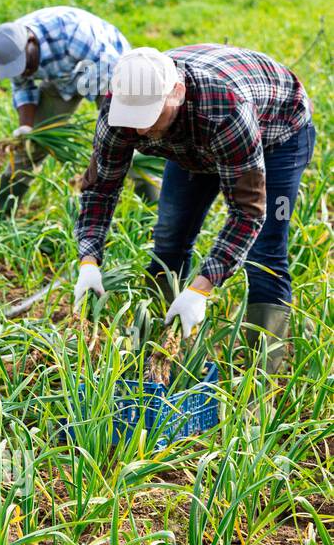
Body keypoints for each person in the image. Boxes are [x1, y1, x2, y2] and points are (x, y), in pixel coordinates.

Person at [72, 45, 316, 373]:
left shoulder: (226, 110)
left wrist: (201, 289)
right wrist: (89, 261)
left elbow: (248, 212)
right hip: (191, 147)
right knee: (170, 238)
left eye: (150, 116)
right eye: (135, 118)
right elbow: (100, 189)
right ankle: (158, 356)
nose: (142, 131)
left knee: (266, 253)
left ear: (177, 91)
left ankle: (259, 384)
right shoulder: (121, 106)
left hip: (278, 134)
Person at [0, 6, 161, 216]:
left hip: (109, 72)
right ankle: (2, 215)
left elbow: (111, 85)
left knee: (126, 141)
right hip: (60, 79)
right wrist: (26, 127)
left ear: (31, 42)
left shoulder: (71, 32)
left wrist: (103, 147)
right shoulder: (13, 50)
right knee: (32, 145)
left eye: (25, 65)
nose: (24, 71)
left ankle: (155, 212)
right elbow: (23, 86)